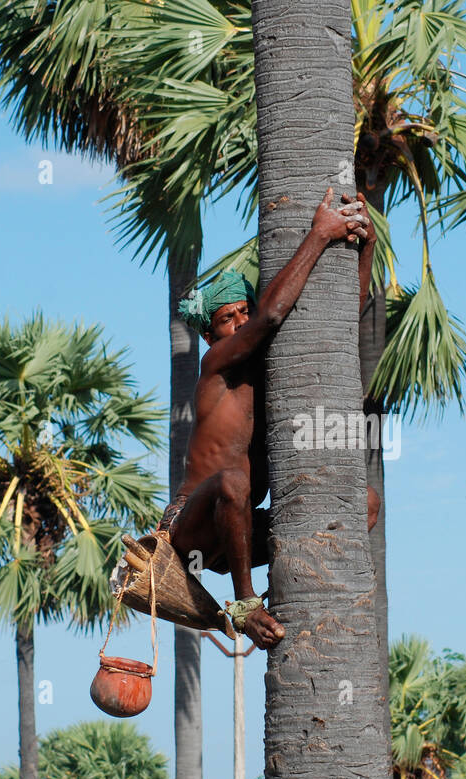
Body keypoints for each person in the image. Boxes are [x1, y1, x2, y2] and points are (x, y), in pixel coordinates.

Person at [119, 188, 379, 649]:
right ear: (208, 335)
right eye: (225, 319)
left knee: (366, 503)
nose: (239, 322)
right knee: (233, 480)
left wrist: (366, 249)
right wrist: (319, 234)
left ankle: (285, 598)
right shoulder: (215, 366)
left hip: (240, 533)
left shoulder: (274, 370)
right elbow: (273, 314)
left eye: (244, 311)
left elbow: (338, 322)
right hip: (194, 530)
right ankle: (244, 605)